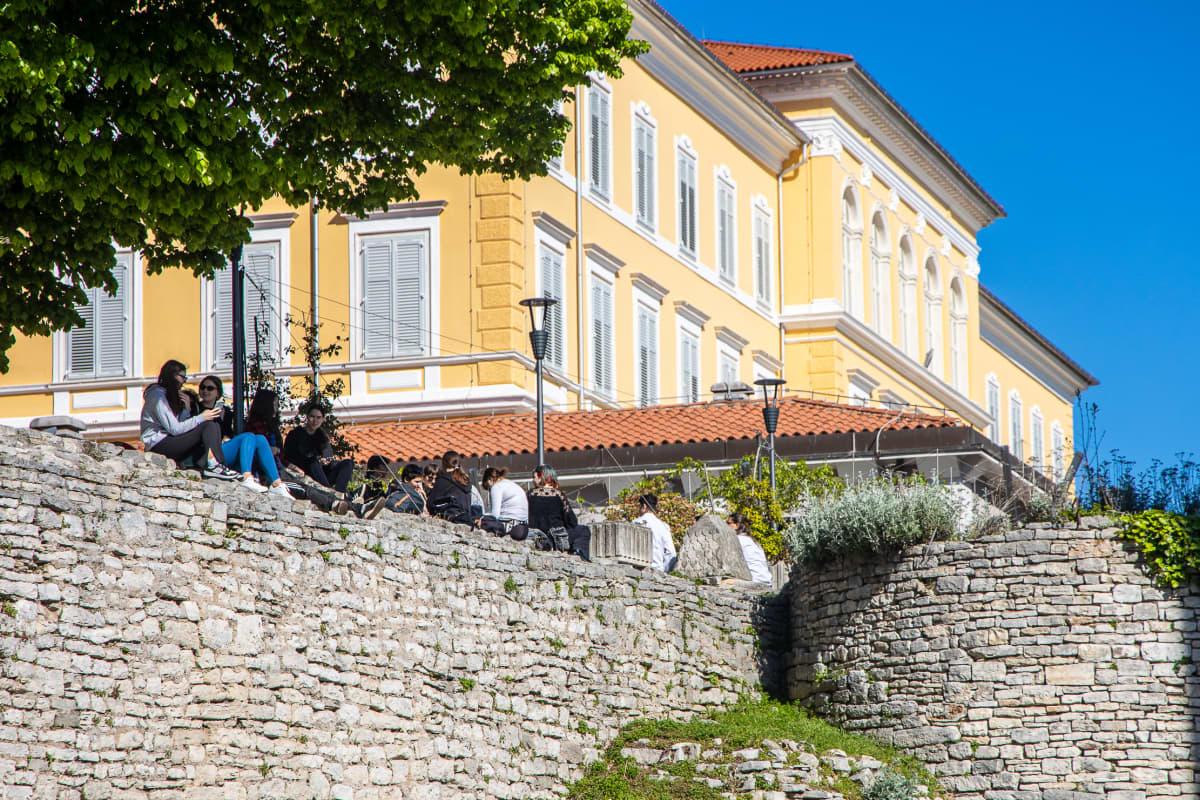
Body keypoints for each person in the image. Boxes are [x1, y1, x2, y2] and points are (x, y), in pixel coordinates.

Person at [139, 360, 239, 480]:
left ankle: (211, 465)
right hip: (158, 444)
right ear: (173, 376)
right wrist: (202, 417)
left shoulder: (167, 395)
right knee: (207, 424)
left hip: (169, 441)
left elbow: (181, 427)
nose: (184, 382)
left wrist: (186, 409)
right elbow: (175, 429)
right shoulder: (157, 397)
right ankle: (215, 466)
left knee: (209, 423)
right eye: (183, 377)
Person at [196, 375, 292, 498]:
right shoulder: (195, 408)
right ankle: (246, 477)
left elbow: (229, 434)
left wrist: (224, 420)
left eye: (210, 388)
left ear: (218, 392)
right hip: (206, 454)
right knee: (248, 436)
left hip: (220, 451)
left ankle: (276, 484)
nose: (205, 391)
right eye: (202, 387)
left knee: (260, 439)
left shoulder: (225, 412)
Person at [284, 402, 354, 494]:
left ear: (323, 419)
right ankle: (330, 494)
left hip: (323, 476)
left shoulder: (323, 437)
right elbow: (290, 456)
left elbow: (328, 459)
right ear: (307, 417)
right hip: (305, 474)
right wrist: (314, 460)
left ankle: (339, 493)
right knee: (313, 462)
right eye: (312, 417)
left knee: (348, 463)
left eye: (318, 417)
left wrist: (326, 461)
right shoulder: (295, 435)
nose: (315, 421)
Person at [527, 465, 589, 558]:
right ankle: (578, 552)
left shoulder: (529, 495)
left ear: (541, 477)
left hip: (537, 538)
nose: (532, 480)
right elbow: (572, 521)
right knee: (583, 530)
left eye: (534, 477)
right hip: (557, 538)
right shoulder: (559, 495)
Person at [426, 451, 476, 526]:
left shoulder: (443, 481)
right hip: (466, 519)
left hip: (451, 520)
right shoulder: (465, 480)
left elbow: (430, 503)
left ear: (443, 463)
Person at [479, 466, 528, 539]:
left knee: (484, 522)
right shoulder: (509, 483)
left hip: (512, 526)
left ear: (489, 479)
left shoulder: (496, 487)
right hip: (523, 526)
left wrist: (482, 518)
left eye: (488, 488)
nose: (489, 491)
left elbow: (495, 515)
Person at [634, 493, 676, 573]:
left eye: (639, 507)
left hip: (637, 570)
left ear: (644, 506)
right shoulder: (663, 526)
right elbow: (670, 553)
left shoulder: (635, 523)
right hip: (658, 571)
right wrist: (664, 571)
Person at [729, 511, 772, 585]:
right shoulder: (752, 540)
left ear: (737, 525)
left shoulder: (738, 540)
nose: (726, 525)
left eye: (728, 523)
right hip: (765, 579)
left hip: (754, 580)